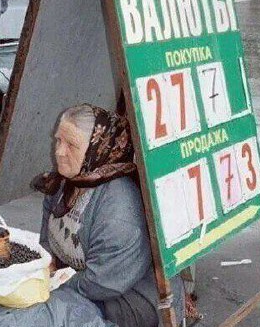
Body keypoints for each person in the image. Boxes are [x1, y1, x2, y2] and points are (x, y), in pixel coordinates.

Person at [32, 104, 185, 327]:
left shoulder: (118, 209)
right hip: (79, 280)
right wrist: (45, 267)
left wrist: (52, 289)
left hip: (128, 299)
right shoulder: (61, 184)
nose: (59, 151)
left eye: (71, 145)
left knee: (44, 315)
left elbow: (102, 282)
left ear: (98, 149)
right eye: (58, 140)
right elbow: (46, 239)